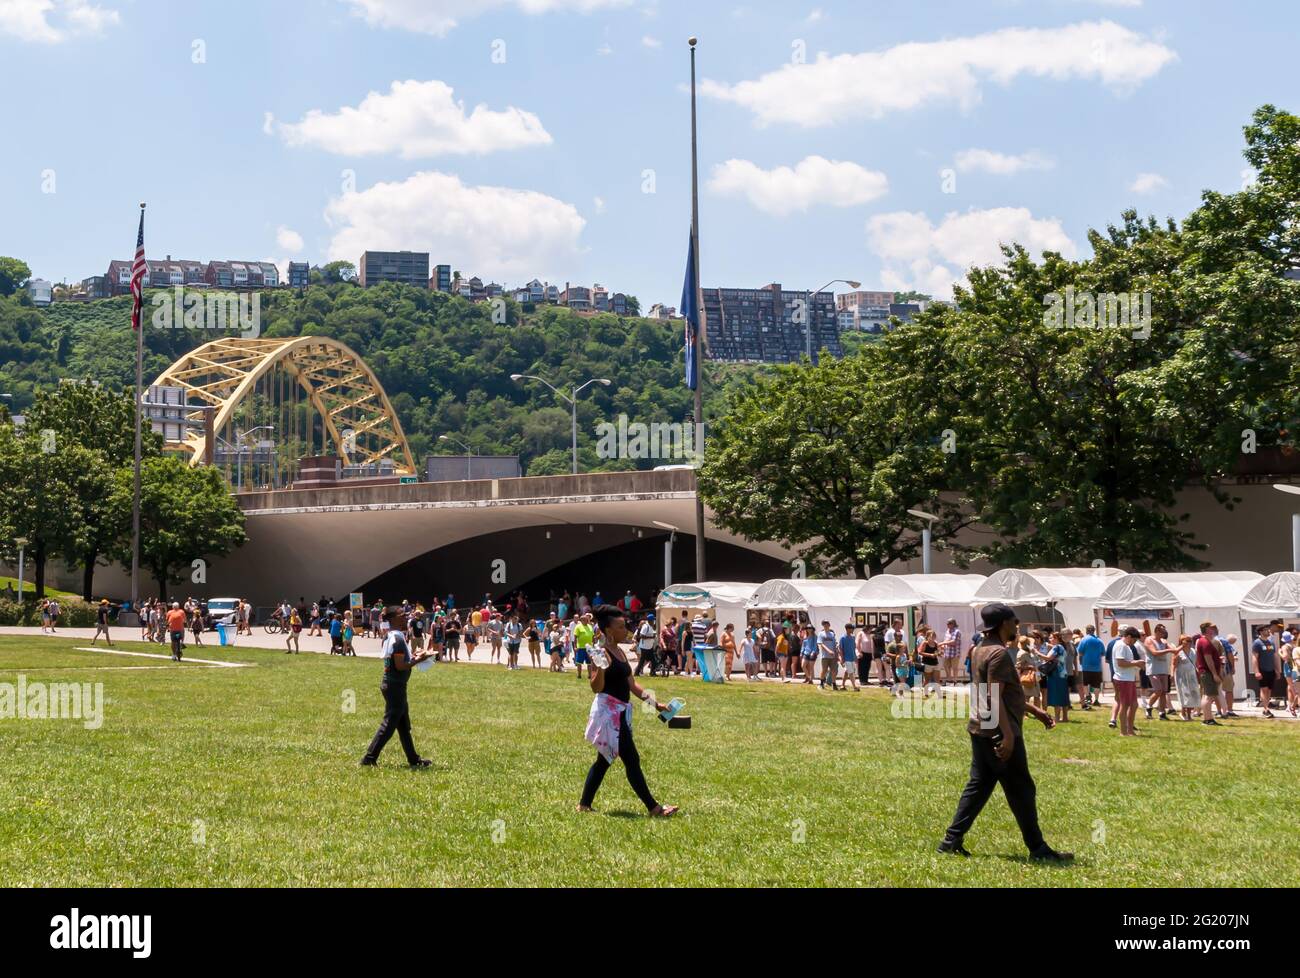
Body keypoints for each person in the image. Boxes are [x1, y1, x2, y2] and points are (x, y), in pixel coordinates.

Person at [938, 602, 1071, 861]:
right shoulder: (998, 653)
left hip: (981, 725)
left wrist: (1034, 710)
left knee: (979, 786)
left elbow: (1002, 693)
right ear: (1003, 624)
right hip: (998, 730)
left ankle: (951, 841)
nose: (1016, 626)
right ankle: (1038, 849)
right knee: (1021, 789)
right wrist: (1008, 735)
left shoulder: (979, 649)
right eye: (1014, 621)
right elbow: (995, 695)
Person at [577, 605, 677, 818]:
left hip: (620, 712)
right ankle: (654, 808)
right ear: (609, 630)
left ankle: (584, 805)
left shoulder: (619, 651)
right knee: (631, 759)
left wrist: (655, 703)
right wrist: (602, 668)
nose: (626, 629)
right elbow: (596, 687)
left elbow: (632, 684)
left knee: (604, 760)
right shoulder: (599, 651)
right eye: (621, 626)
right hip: (608, 714)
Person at [360, 607, 432, 769]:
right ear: (392, 619)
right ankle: (369, 758)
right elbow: (400, 666)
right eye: (401, 615)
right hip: (395, 687)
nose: (405, 617)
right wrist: (421, 659)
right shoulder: (397, 640)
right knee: (389, 724)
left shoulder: (393, 637)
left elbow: (398, 661)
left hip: (394, 685)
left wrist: (416, 656)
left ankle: (414, 759)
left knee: (403, 726)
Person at [1111, 627, 1143, 736]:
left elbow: (1127, 661)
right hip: (1122, 679)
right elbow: (1120, 663)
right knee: (1124, 705)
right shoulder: (1120, 646)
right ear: (1129, 636)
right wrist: (1136, 663)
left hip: (1129, 678)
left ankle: (1130, 730)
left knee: (1134, 704)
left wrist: (1137, 663)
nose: (1135, 642)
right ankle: (1123, 732)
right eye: (1134, 640)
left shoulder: (1127, 646)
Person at [1194, 621, 1225, 726]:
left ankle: (1208, 718)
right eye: (1212, 628)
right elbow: (1208, 659)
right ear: (1207, 629)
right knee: (1209, 696)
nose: (1214, 630)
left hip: (1206, 672)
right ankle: (1208, 719)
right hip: (1208, 672)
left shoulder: (1203, 641)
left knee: (1207, 696)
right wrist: (1215, 674)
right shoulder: (1205, 642)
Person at [1143, 624, 1176, 719]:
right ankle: (1148, 707)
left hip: (1163, 669)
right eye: (1162, 632)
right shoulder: (1149, 640)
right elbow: (1154, 653)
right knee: (1158, 690)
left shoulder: (1164, 641)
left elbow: (1173, 649)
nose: (1164, 633)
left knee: (1163, 692)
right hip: (1153, 669)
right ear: (1157, 631)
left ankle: (1162, 713)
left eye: (1164, 632)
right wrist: (1169, 650)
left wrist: (1182, 646)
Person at [1252, 624, 1279, 717]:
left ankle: (1266, 708)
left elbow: (1274, 657)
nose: (1268, 631)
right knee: (1264, 689)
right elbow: (1254, 657)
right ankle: (1265, 709)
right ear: (1261, 632)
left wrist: (1277, 670)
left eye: (1268, 629)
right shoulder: (1257, 643)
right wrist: (1256, 671)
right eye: (1266, 630)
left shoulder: (1271, 642)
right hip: (1262, 670)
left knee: (1269, 690)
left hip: (1271, 670)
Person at [1076, 625, 1105, 707]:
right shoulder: (1099, 640)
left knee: (1085, 684)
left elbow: (1080, 652)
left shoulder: (1084, 640)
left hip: (1086, 666)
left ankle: (1088, 697)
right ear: (1094, 630)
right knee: (1096, 684)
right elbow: (1103, 653)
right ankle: (1096, 700)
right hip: (1097, 667)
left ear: (1086, 631)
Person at [939, 618, 963, 684]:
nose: (947, 624)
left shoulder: (957, 631)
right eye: (947, 623)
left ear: (953, 624)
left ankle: (955, 680)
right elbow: (946, 640)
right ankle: (949, 679)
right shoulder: (947, 631)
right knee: (946, 666)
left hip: (955, 653)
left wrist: (942, 643)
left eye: (949, 623)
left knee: (954, 667)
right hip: (947, 652)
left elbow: (954, 642)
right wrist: (943, 646)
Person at [573, 613, 595, 680]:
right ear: (582, 620)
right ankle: (579, 675)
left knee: (589, 662)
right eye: (586, 619)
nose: (587, 620)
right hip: (581, 647)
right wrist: (575, 646)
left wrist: (593, 645)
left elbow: (593, 636)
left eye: (587, 619)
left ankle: (590, 675)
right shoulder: (578, 627)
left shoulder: (590, 626)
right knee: (579, 662)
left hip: (589, 648)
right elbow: (575, 637)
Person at [840, 623, 860, 691]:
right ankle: (855, 687)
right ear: (848, 629)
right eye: (852, 628)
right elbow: (841, 649)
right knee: (851, 672)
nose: (853, 630)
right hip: (846, 658)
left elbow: (854, 648)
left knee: (847, 671)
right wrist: (842, 658)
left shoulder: (853, 637)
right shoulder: (843, 638)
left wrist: (855, 657)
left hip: (852, 657)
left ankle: (842, 685)